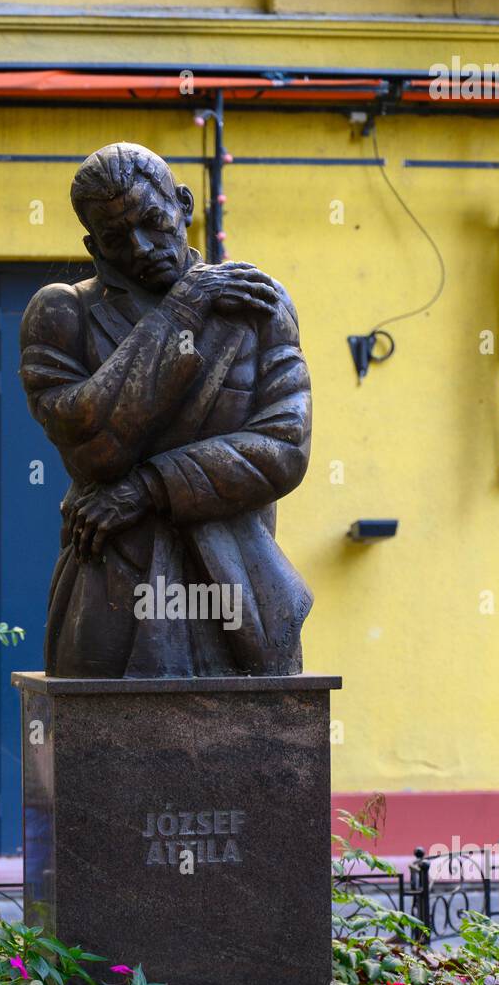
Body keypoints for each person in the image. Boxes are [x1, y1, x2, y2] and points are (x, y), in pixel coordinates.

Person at [19, 141, 313, 678]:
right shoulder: (63, 313)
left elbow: (285, 448)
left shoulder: (258, 306)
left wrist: (149, 486)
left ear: (182, 204)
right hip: (111, 590)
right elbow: (93, 450)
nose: (140, 247)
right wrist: (182, 307)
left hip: (238, 588)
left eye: (153, 221)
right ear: (93, 245)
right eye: (115, 238)